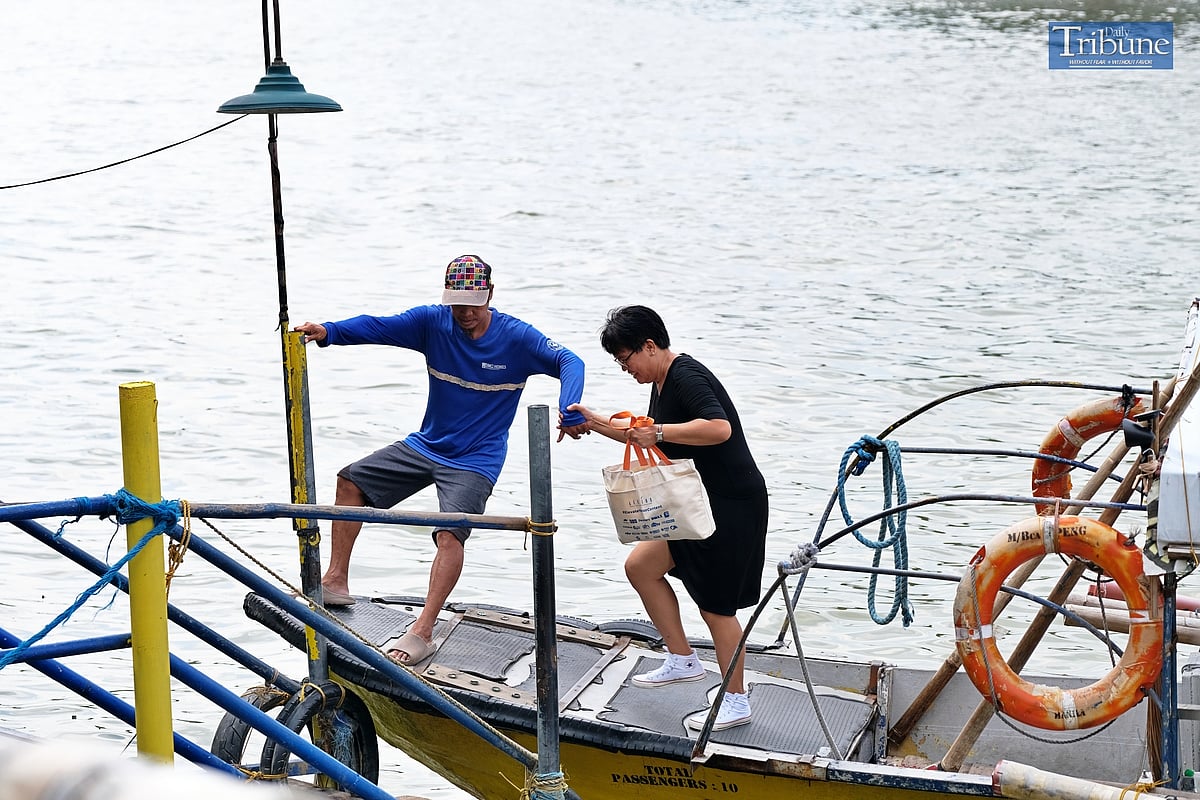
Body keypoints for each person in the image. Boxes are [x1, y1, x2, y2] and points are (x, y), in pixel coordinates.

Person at [294, 254, 589, 665]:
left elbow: (570, 360)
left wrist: (569, 406)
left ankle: (423, 630)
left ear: (490, 295)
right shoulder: (432, 322)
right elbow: (379, 326)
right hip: (427, 445)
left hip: (476, 459)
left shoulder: (517, 338)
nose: (465, 313)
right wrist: (329, 331)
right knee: (350, 481)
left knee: (450, 533)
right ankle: (336, 580)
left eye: (473, 304)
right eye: (457, 304)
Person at [567, 305, 768, 731]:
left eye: (626, 359)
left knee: (716, 608)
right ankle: (682, 659)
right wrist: (591, 421)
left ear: (649, 346)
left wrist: (659, 432)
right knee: (640, 567)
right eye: (619, 362)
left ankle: (736, 700)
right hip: (695, 503)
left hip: (730, 504)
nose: (625, 368)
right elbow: (639, 434)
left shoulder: (686, 375)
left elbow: (719, 428)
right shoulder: (661, 381)